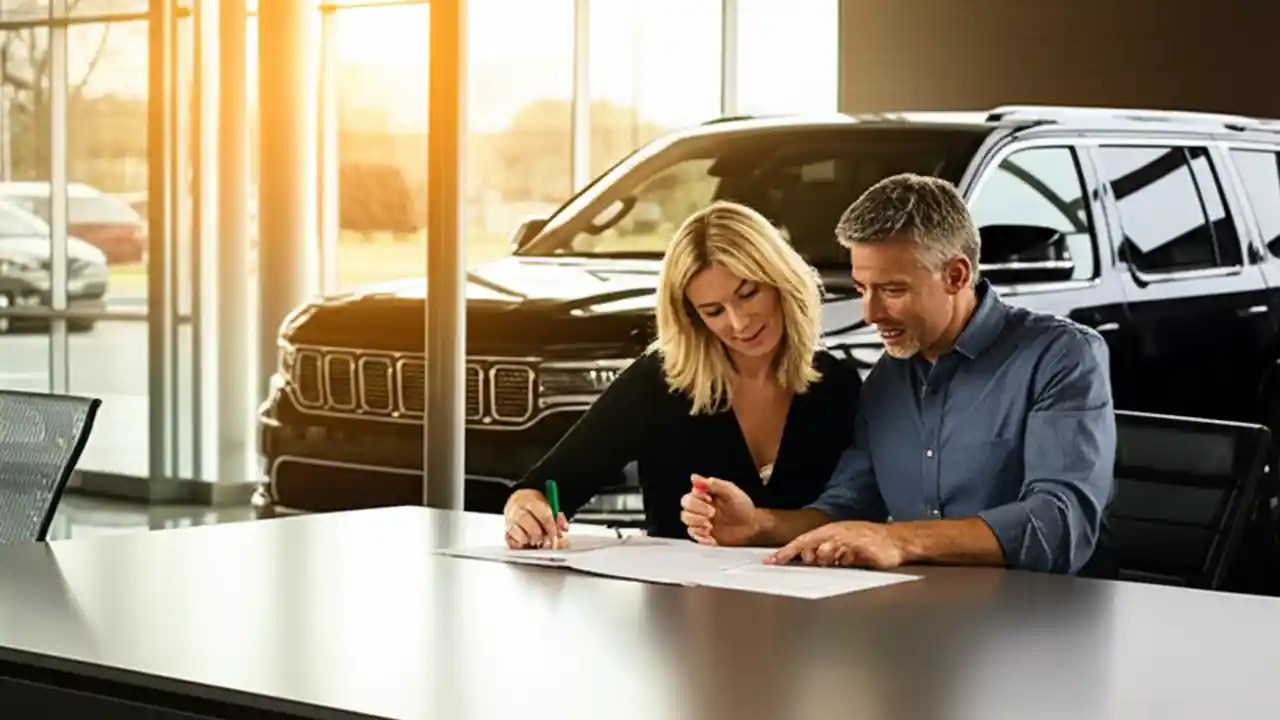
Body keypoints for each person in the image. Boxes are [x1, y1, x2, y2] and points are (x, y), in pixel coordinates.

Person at [680, 173, 1116, 576]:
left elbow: (1061, 523)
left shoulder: (1061, 356)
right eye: (861, 289)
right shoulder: (887, 379)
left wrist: (898, 539)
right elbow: (849, 504)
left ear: (956, 275)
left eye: (892, 290)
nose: (870, 314)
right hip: (920, 620)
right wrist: (758, 525)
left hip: (1044, 626)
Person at [502, 200, 863, 549]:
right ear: (693, 318)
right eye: (713, 311)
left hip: (809, 604)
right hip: (680, 605)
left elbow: (858, 514)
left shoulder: (836, 385)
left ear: (781, 281)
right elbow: (549, 485)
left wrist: (760, 524)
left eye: (748, 294)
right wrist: (526, 508)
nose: (739, 323)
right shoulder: (660, 382)